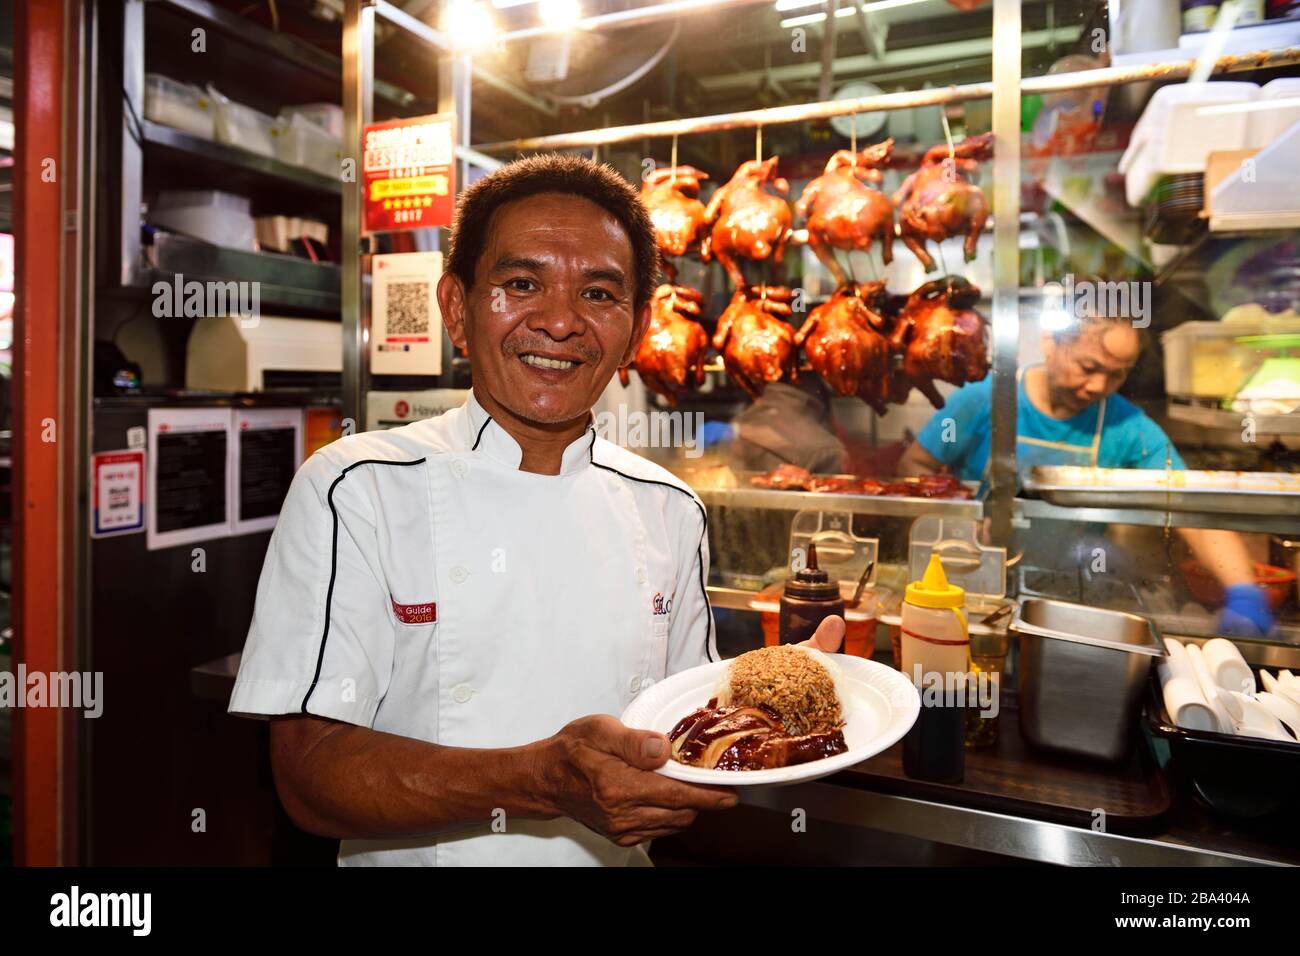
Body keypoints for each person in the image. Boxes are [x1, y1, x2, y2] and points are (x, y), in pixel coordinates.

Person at [228, 154, 843, 866]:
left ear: (636, 331)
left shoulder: (668, 506)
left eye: (599, 294)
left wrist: (779, 696)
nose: (559, 322)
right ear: (457, 308)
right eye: (522, 284)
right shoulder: (356, 487)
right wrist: (542, 781)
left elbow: (683, 732)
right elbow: (308, 776)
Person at [898, 309, 1274, 636]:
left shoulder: (1125, 425)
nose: (1099, 387)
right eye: (1089, 368)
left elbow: (1188, 500)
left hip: (1065, 592)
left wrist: (1243, 589)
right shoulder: (984, 399)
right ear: (1049, 342)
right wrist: (956, 528)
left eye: (1117, 375)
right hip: (970, 579)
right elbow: (914, 466)